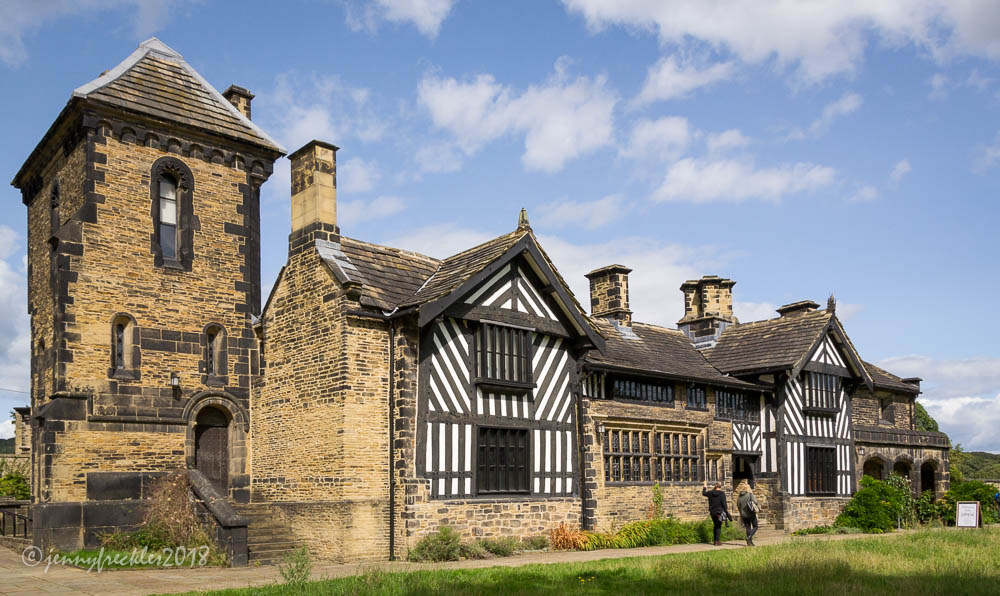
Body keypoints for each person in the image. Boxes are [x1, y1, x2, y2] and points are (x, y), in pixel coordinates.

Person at [702, 481, 732, 546]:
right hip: (719, 512)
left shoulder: (710, 493)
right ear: (720, 486)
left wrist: (705, 486)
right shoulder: (722, 493)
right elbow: (724, 504)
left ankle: (715, 540)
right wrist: (726, 512)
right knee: (718, 526)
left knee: (715, 525)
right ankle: (717, 541)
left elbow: (704, 493)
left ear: (715, 486)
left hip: (712, 512)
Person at [736, 481, 760, 546]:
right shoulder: (750, 495)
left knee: (748, 527)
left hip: (743, 515)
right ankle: (749, 537)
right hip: (751, 513)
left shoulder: (739, 497)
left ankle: (750, 543)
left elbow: (738, 505)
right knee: (755, 526)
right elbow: (755, 502)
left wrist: (741, 513)